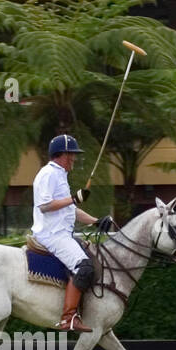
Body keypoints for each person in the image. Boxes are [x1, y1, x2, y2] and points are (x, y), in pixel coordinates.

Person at [32, 134, 115, 332]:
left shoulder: (60, 175)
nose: (74, 159)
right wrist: (74, 198)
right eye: (72, 155)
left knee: (92, 255)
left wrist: (96, 221)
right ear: (62, 155)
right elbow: (44, 206)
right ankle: (68, 318)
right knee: (84, 267)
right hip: (52, 235)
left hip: (63, 234)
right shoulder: (48, 174)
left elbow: (71, 210)